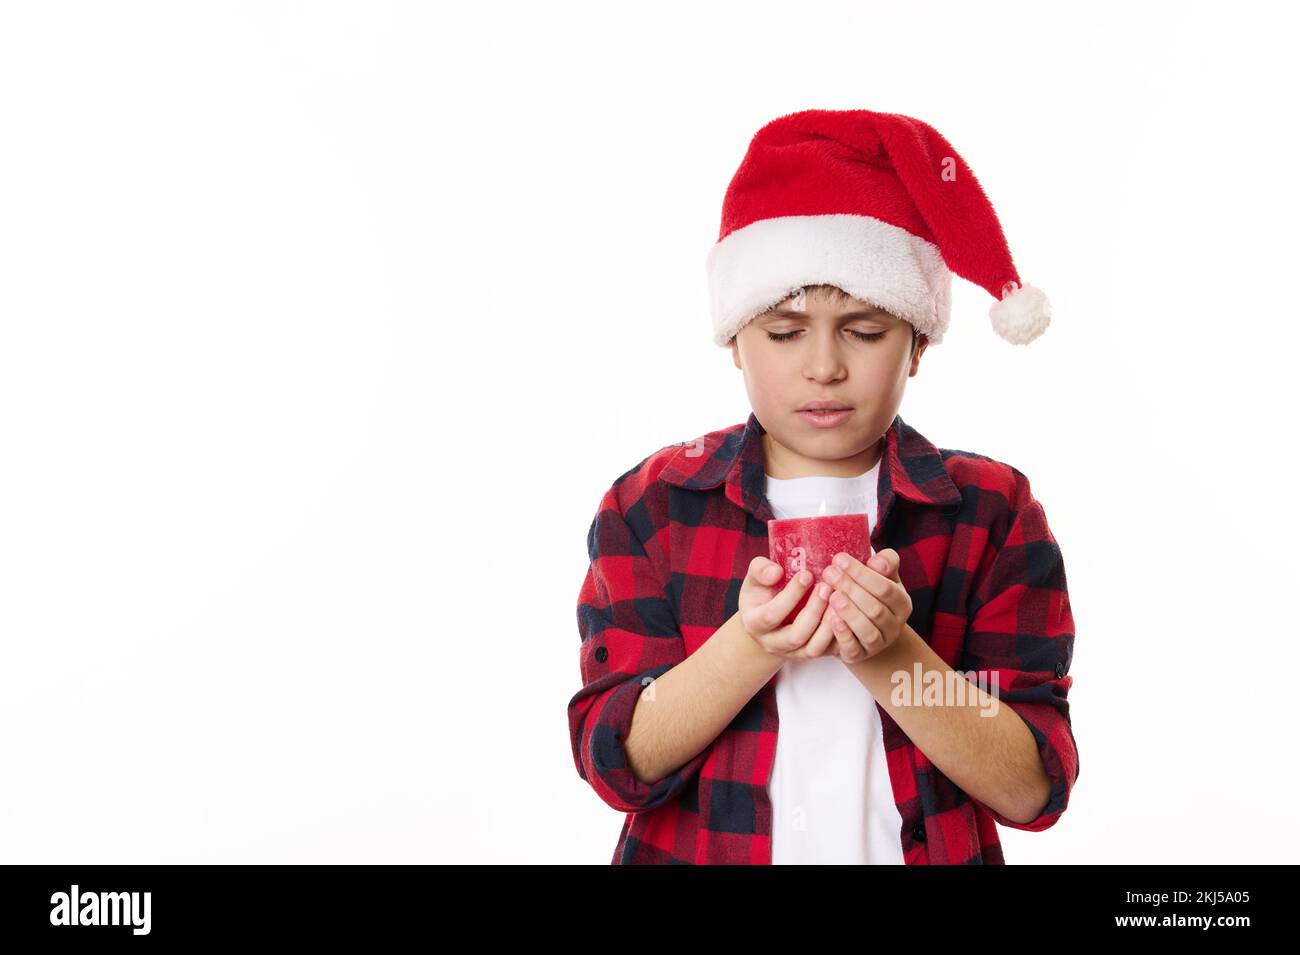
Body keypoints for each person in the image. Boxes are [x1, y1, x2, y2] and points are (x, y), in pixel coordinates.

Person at [566, 108, 1078, 865]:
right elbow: (617, 759)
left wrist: (891, 655)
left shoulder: (989, 513)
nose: (825, 366)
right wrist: (750, 644)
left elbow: (1032, 784)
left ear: (918, 346)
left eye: (866, 331)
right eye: (783, 331)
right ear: (735, 340)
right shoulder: (654, 507)